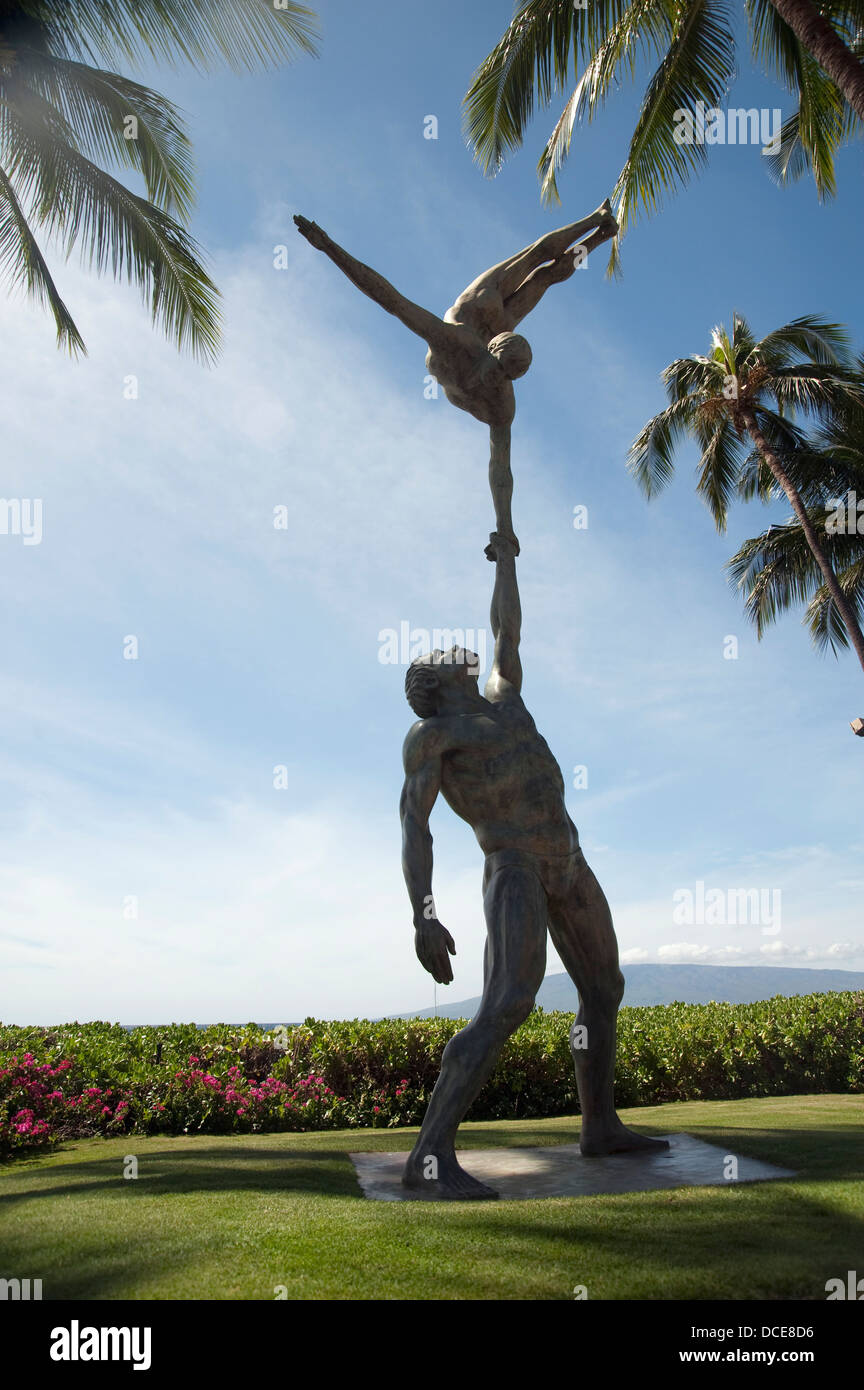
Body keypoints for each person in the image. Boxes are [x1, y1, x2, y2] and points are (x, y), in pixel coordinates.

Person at [398, 531, 668, 1199]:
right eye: (444, 657)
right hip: (513, 865)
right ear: (432, 683)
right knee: (509, 1002)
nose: (460, 654)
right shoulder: (434, 736)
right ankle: (428, 1159)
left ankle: (599, 1126)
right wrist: (423, 917)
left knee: (604, 990)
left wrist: (508, 562)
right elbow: (415, 825)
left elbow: (505, 626)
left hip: (569, 859)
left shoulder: (505, 698)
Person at [294, 205, 618, 544]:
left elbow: (501, 468)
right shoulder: (454, 342)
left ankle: (600, 236)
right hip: (476, 306)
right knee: (536, 258)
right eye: (499, 371)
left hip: (499, 327)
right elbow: (390, 300)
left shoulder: (501, 403)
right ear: (491, 350)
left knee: (546, 278)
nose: (498, 381)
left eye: (507, 377)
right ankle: (596, 217)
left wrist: (504, 527)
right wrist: (328, 246)